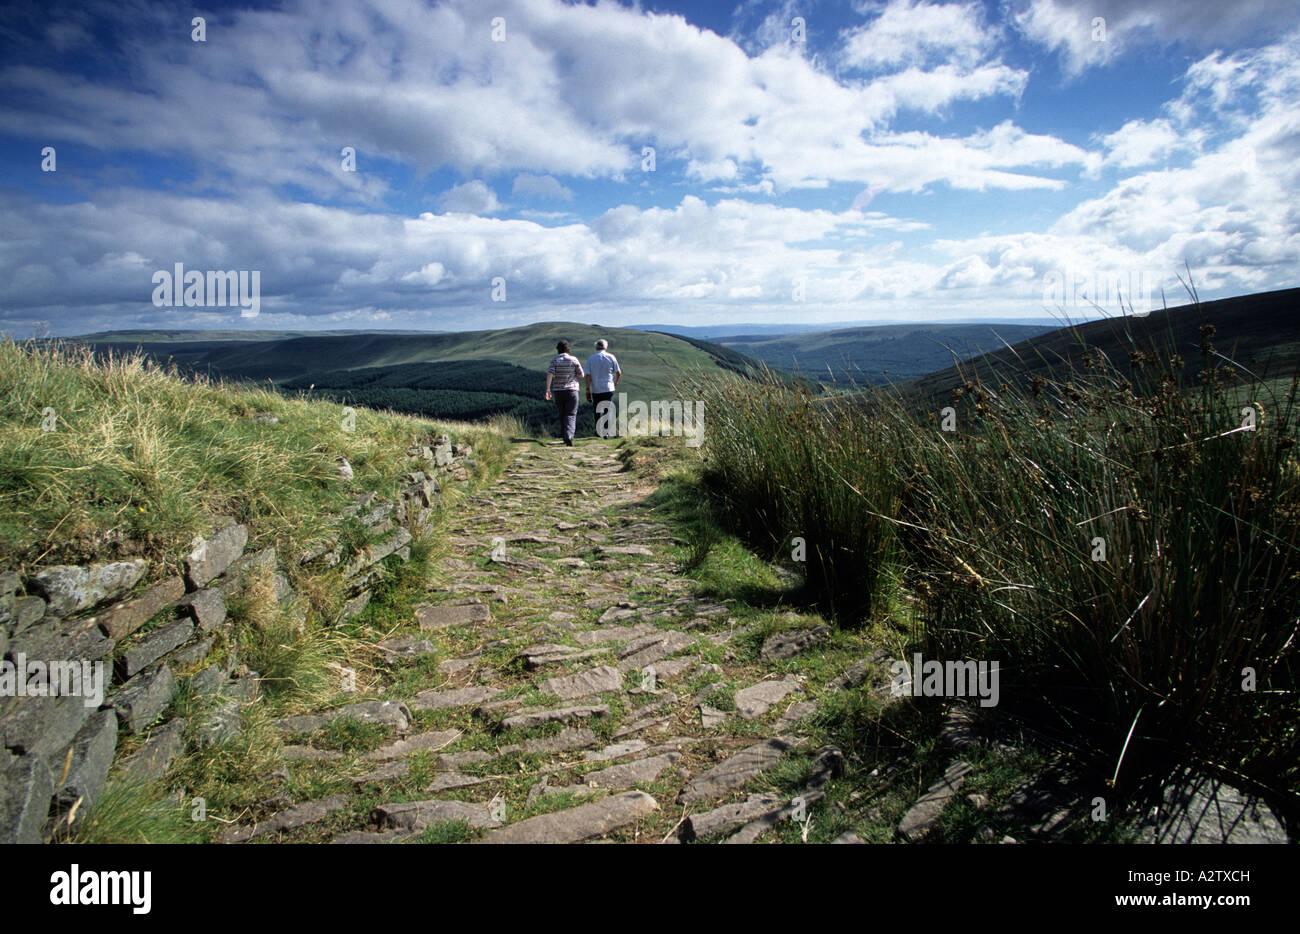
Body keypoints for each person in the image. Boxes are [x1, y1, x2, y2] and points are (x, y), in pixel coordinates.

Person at [544, 340, 584, 446]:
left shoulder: (554, 360)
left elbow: (550, 374)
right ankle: (569, 436)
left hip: (558, 390)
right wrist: (573, 375)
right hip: (572, 390)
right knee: (571, 414)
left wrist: (548, 389)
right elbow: (581, 375)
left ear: (558, 349)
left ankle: (565, 436)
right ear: (568, 349)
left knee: (562, 414)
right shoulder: (573, 359)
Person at [585, 339, 622, 438]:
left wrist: (587, 388)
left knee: (597, 410)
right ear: (606, 347)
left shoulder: (591, 358)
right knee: (607, 410)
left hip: (596, 388)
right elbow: (618, 372)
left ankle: (598, 431)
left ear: (596, 347)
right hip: (608, 387)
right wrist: (615, 382)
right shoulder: (611, 357)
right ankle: (607, 432)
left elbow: (587, 374)